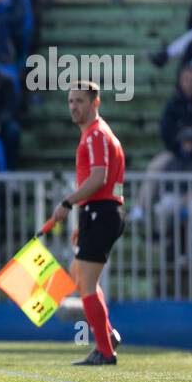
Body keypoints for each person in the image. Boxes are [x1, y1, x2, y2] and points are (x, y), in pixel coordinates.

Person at [47, 80, 125, 366]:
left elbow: (98, 178)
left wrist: (67, 202)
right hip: (98, 212)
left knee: (87, 284)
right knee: (79, 276)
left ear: (95, 102)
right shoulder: (96, 134)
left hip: (103, 212)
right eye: (70, 101)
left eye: (80, 101)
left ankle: (105, 351)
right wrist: (83, 219)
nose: (74, 107)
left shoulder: (95, 135)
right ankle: (108, 336)